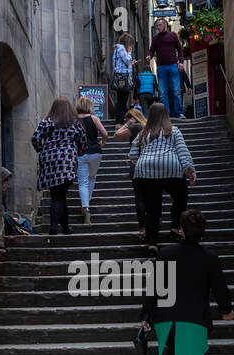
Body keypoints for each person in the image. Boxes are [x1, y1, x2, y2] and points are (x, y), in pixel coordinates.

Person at [141, 209, 234, 355]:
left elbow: (154, 287)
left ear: (181, 230)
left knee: (173, 347)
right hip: (193, 320)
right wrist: (227, 310)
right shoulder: (210, 258)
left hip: (165, 318)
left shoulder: (165, 253)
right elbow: (220, 289)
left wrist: (146, 315)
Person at [129, 102, 196, 253]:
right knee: (180, 197)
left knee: (152, 210)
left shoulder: (142, 133)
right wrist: (190, 170)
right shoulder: (174, 130)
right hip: (170, 169)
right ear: (165, 114)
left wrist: (142, 158)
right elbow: (182, 151)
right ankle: (175, 227)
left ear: (150, 115)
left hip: (145, 171)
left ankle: (152, 243)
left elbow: (133, 155)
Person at [31, 98, 87, 235]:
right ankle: (54, 227)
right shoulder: (75, 123)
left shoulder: (47, 122)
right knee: (59, 195)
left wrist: (42, 149)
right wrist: (77, 151)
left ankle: (65, 228)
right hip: (66, 160)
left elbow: (35, 138)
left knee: (57, 194)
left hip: (49, 160)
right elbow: (84, 144)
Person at [113, 103, 148, 237]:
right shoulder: (148, 126)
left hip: (137, 164)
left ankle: (142, 228)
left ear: (133, 117)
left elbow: (116, 135)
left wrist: (128, 124)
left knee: (139, 197)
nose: (125, 122)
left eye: (127, 119)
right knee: (152, 195)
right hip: (151, 164)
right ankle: (156, 220)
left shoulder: (135, 127)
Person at [75, 95, 108, 224]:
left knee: (82, 181)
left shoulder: (74, 120)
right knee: (92, 177)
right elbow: (105, 133)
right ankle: (87, 203)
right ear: (89, 107)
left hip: (80, 153)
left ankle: (86, 208)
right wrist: (102, 143)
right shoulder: (94, 118)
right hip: (95, 151)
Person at [147, 17, 185, 118]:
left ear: (165, 25)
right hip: (161, 68)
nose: (158, 27)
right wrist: (149, 56)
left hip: (173, 66)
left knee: (176, 91)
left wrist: (181, 62)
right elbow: (151, 50)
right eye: (157, 26)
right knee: (163, 93)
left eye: (159, 25)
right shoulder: (155, 38)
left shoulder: (172, 35)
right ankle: (166, 114)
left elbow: (180, 50)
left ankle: (179, 112)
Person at [111, 32, 136, 123]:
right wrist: (129, 53)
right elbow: (126, 60)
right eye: (130, 43)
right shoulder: (121, 48)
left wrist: (131, 64)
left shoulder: (118, 49)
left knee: (122, 99)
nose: (131, 46)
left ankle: (121, 120)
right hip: (123, 78)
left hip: (121, 76)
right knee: (122, 100)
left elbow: (117, 63)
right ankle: (119, 121)